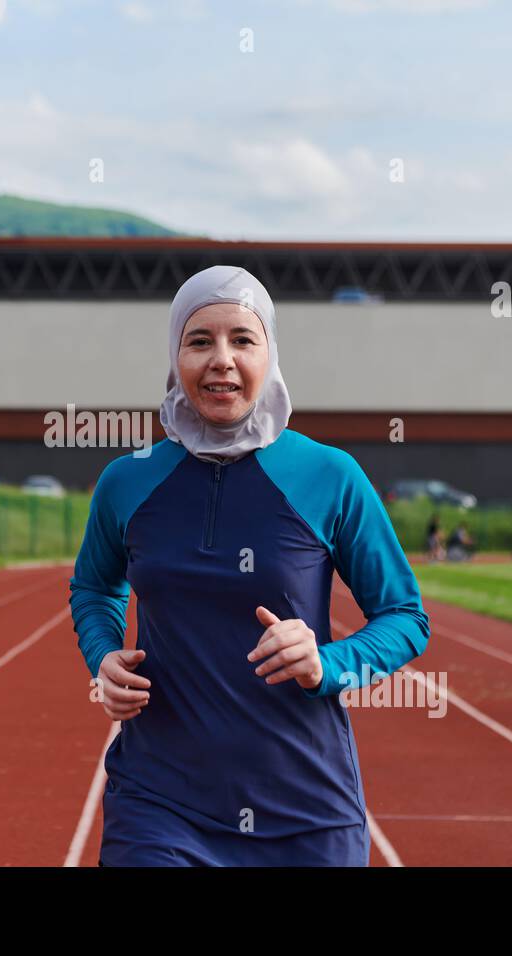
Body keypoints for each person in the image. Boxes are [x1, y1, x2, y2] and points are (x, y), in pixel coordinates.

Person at [68, 265, 430, 867]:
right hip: (159, 803)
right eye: (199, 340)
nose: (221, 361)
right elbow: (94, 585)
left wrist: (328, 661)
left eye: (242, 339)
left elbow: (405, 616)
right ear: (174, 354)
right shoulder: (127, 480)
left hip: (306, 809)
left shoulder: (329, 476)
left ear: (271, 352)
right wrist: (103, 655)